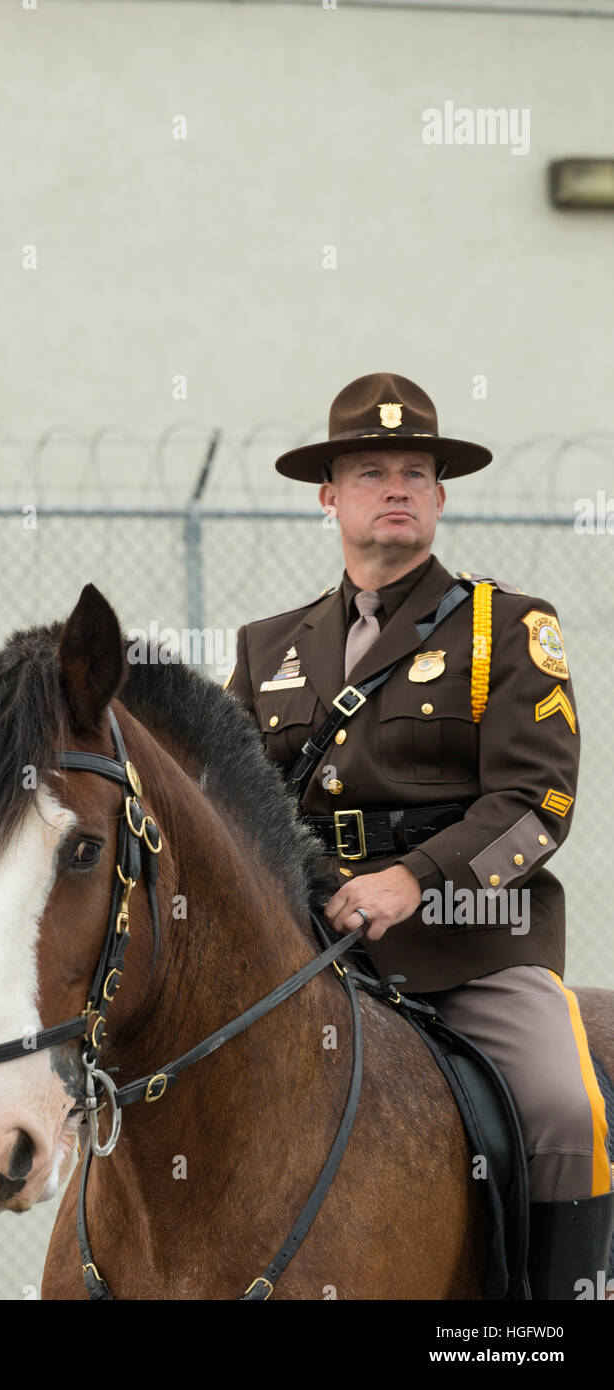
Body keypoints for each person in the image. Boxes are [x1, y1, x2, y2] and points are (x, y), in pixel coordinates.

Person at [225, 371, 614, 1300]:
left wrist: (415, 881)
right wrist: (318, 886)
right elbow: (239, 809)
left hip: (471, 953)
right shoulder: (266, 648)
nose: (393, 486)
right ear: (330, 497)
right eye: (369, 471)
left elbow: (534, 802)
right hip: (313, 952)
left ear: (439, 497)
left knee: (566, 1112)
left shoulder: (509, 628)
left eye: (414, 471)